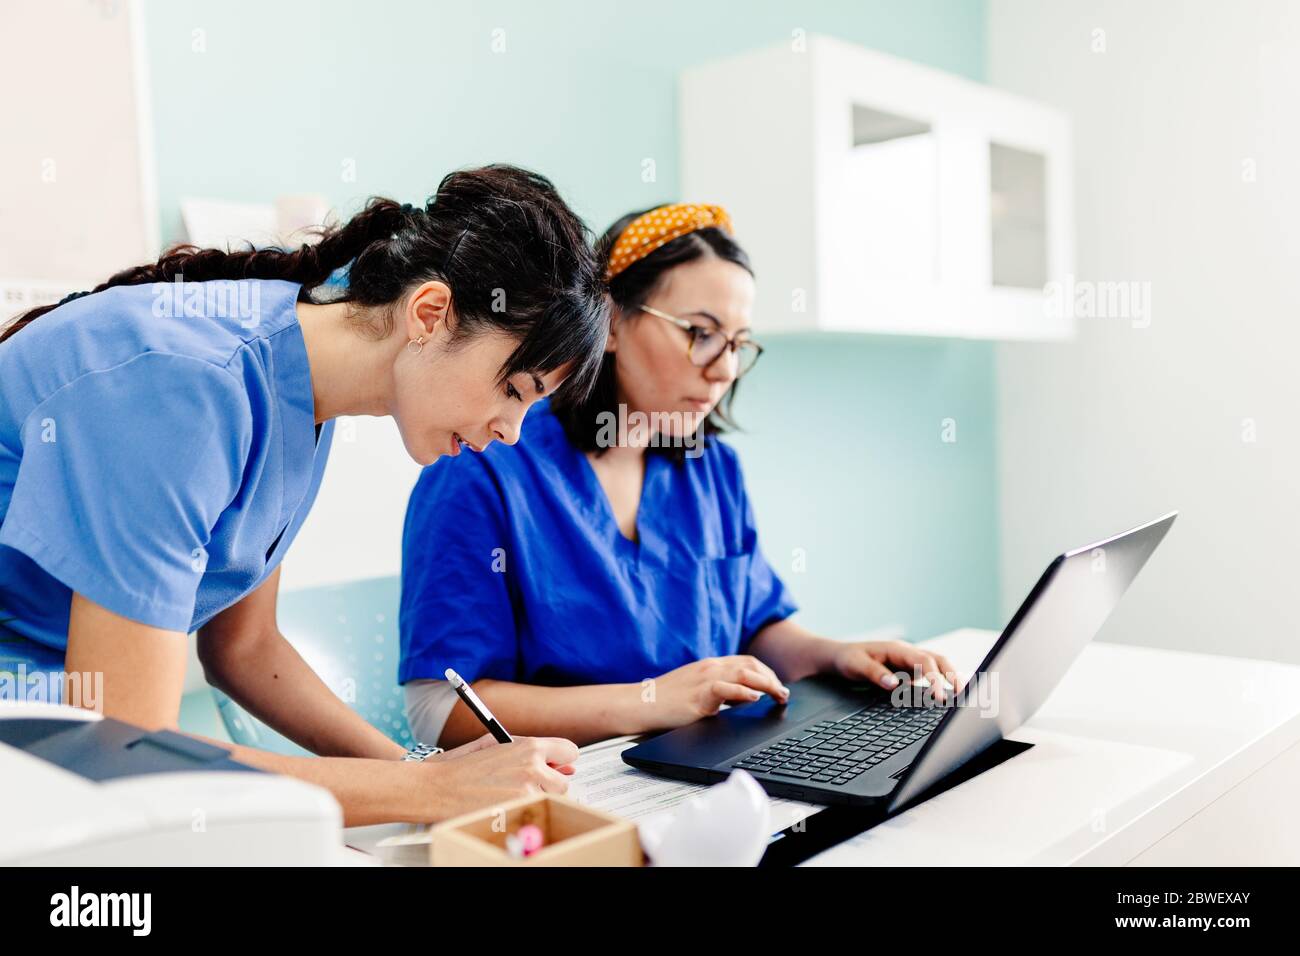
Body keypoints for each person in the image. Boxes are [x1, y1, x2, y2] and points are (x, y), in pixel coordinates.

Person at [0, 165, 609, 825]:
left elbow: (245, 648)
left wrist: (423, 774)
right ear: (429, 314)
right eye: (514, 390)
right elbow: (125, 747)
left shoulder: (300, 394)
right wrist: (429, 793)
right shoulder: (187, 389)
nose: (512, 432)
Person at [400, 203, 960, 748]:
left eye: (738, 344)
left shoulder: (712, 469)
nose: (723, 370)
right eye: (699, 331)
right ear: (611, 323)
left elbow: (756, 628)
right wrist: (648, 700)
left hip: (711, 770)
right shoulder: (483, 464)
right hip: (566, 796)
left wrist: (835, 655)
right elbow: (441, 709)